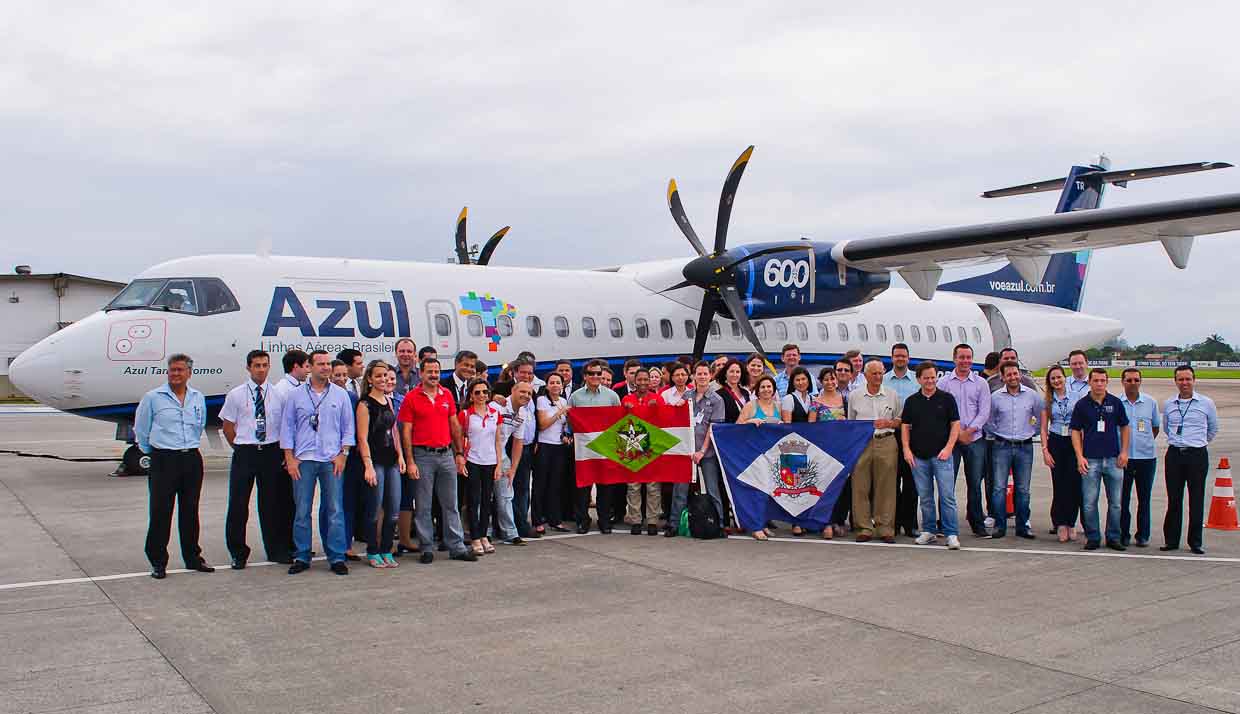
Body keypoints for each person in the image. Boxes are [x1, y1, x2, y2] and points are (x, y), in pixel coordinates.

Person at [134, 353, 212, 579]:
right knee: (160, 511)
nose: (176, 374)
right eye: (172, 370)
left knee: (190, 510)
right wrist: (154, 452)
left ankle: (192, 557)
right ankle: (158, 561)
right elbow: (141, 430)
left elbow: (200, 425)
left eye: (180, 370)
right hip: (164, 460)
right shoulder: (153, 398)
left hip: (191, 459)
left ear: (189, 373)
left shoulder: (197, 397)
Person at [280, 350, 355, 575]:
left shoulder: (340, 395)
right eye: (320, 364)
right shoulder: (295, 395)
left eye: (327, 364)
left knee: (334, 509)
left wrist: (344, 454)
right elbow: (287, 427)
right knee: (302, 510)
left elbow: (348, 428)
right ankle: (302, 556)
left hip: (331, 459)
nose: (325, 368)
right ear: (310, 367)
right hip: (303, 460)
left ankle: (336, 556)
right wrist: (289, 459)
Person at [398, 357, 477, 564]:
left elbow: (454, 426)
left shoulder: (447, 395)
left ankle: (457, 547)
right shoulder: (411, 398)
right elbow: (406, 431)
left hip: (446, 455)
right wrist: (410, 460)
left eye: (436, 371)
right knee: (423, 505)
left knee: (451, 504)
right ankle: (426, 547)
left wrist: (459, 454)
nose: (434, 375)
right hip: (422, 456)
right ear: (421, 373)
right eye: (429, 371)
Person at [220, 349, 292, 568]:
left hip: (271, 451)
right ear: (249, 368)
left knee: (271, 505)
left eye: (264, 365)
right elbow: (228, 427)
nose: (261, 369)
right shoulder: (236, 394)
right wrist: (241, 447)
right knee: (238, 504)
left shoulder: (279, 394)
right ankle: (238, 552)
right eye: (257, 365)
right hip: (245, 451)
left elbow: (285, 426)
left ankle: (275, 550)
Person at [901, 361, 962, 550]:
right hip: (919, 457)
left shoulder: (947, 399)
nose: (930, 381)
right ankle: (929, 531)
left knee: (947, 496)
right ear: (919, 379)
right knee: (925, 496)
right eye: (926, 378)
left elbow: (955, 425)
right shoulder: (911, 401)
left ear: (937, 377)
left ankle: (951, 533)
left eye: (933, 377)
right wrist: (906, 450)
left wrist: (949, 448)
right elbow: (905, 426)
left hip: (942, 456)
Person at [1070, 368, 1130, 551]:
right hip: (1091, 459)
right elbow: (1074, 431)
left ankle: (1113, 536)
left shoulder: (1115, 403)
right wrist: (1079, 456)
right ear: (1089, 382)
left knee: (1116, 503)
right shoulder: (1082, 405)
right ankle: (1093, 536)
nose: (1099, 384)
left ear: (1107, 382)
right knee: (1089, 502)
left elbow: (1125, 427)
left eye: (1102, 381)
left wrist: (1124, 452)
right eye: (1096, 380)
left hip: (1113, 459)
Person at [1161, 365, 1220, 555]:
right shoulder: (1169, 403)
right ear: (1175, 381)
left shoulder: (1206, 403)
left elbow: (1212, 429)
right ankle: (1171, 540)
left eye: (1188, 379)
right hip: (1175, 454)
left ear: (1194, 380)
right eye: (1181, 379)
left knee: (1196, 499)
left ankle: (1195, 542)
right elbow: (1166, 428)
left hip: (1197, 455)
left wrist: (1197, 443)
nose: (1184, 383)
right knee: (1174, 499)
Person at [667, 361, 726, 537]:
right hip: (686, 451)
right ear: (693, 376)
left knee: (712, 489)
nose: (701, 377)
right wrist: (676, 408)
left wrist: (702, 451)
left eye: (705, 374)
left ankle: (719, 524)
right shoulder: (687, 395)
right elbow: (676, 418)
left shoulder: (717, 400)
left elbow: (712, 428)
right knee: (680, 489)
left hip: (705, 452)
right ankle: (673, 524)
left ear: (710, 376)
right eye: (698, 374)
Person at [937, 344, 992, 537]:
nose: (965, 361)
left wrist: (970, 430)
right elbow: (939, 410)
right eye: (961, 357)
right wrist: (957, 432)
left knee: (975, 482)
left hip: (974, 439)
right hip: (950, 440)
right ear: (954, 359)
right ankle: (944, 523)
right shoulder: (943, 383)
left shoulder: (980, 383)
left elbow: (984, 411)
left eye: (968, 357)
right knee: (946, 483)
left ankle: (976, 521)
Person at [356, 360, 404, 568]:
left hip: (391, 460)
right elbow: (362, 438)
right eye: (378, 376)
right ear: (369, 379)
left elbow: (394, 433)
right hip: (375, 462)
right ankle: (372, 550)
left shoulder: (389, 401)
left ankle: (386, 548)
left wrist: (401, 455)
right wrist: (367, 465)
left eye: (385, 375)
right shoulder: (364, 404)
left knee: (393, 509)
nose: (383, 379)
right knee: (374, 509)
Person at [987, 363, 1043, 539]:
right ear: (1002, 377)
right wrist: (997, 433)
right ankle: (1000, 525)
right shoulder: (995, 397)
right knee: (998, 487)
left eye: (1015, 374)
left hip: (1024, 447)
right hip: (1001, 446)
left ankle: (1022, 526)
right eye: (1009, 375)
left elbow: (1040, 417)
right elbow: (988, 421)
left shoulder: (1032, 396)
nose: (1013, 377)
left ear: (1020, 375)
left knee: (1023, 488)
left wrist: (1032, 432)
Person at [848, 360, 902, 543]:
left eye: (880, 373)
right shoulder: (855, 396)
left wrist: (888, 423)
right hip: (862, 443)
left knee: (886, 486)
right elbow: (851, 421)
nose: (878, 377)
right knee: (860, 485)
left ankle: (885, 527)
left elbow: (899, 420)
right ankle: (864, 527)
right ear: (865, 375)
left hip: (886, 440)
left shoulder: (892, 395)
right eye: (874, 374)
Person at [570, 359, 622, 533]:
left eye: (598, 373)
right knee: (583, 487)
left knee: (606, 486)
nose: (595, 376)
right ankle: (582, 520)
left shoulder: (612, 396)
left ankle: (604, 520)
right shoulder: (576, 397)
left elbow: (619, 421)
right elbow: (570, 422)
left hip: (606, 447)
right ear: (585, 376)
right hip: (584, 448)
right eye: (591, 373)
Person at [458, 377, 503, 556]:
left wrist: (499, 464)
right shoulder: (466, 415)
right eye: (477, 392)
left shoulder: (495, 413)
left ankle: (484, 534)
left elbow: (498, 441)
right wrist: (460, 458)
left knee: (487, 501)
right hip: (473, 461)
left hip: (490, 462)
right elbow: (459, 439)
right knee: (473, 500)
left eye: (485, 392)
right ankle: (475, 537)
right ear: (470, 395)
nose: (482, 395)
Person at [1118, 368, 1160, 548]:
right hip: (1124, 458)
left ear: (1140, 382)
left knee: (1144, 498)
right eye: (1129, 380)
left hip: (1146, 458)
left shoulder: (1150, 402)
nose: (1133, 383)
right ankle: (1123, 534)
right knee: (1122, 499)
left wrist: (1143, 443)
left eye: (1136, 380)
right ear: (1123, 382)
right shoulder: (1117, 403)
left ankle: (1142, 535)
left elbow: (1155, 428)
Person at [622, 368, 664, 535]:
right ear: (634, 381)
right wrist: (625, 409)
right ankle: (635, 520)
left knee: (653, 486)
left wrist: (657, 409)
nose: (643, 383)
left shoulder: (657, 399)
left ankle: (653, 520)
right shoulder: (627, 399)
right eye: (640, 379)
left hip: (652, 446)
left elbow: (665, 421)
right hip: (632, 446)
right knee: (633, 485)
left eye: (646, 379)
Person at [1041, 365, 1080, 543]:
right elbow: (1043, 428)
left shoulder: (1076, 396)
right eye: (1053, 379)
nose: (1057, 381)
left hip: (1073, 441)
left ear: (1065, 378)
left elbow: (1081, 423)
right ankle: (1060, 523)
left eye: (1059, 377)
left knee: (1074, 484)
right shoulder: (1048, 400)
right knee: (1059, 484)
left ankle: (1071, 522)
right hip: (1056, 441)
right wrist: (1045, 450)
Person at [884, 343, 919, 538]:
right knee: (892, 482)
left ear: (908, 358)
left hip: (914, 436)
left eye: (903, 356)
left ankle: (911, 523)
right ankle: (894, 523)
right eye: (897, 356)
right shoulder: (884, 380)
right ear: (892, 358)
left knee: (912, 483)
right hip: (891, 435)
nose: (900, 359)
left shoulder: (916, 380)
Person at [494, 381, 533, 546]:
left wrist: (513, 469)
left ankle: (510, 533)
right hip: (482, 457)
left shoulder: (523, 413)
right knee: (482, 497)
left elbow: (518, 442)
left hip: (502, 456)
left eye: (529, 394)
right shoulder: (497, 407)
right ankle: (483, 533)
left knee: (506, 496)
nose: (526, 395)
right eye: (522, 391)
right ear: (513, 391)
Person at [814, 367, 851, 539]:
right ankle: (825, 522)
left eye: (833, 379)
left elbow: (852, 425)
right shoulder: (816, 402)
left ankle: (838, 520)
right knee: (824, 488)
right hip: (822, 450)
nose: (830, 382)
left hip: (841, 449)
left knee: (842, 488)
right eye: (826, 379)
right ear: (821, 382)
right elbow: (810, 427)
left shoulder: (845, 400)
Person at [534, 373, 572, 535]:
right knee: (540, 484)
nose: (555, 385)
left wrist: (565, 436)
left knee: (556, 485)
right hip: (544, 446)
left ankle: (555, 519)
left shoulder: (563, 401)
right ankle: (537, 520)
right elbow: (543, 425)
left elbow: (563, 426)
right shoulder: (542, 401)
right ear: (547, 385)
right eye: (552, 382)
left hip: (558, 447)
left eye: (558, 382)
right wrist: (559, 412)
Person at [715, 358, 751, 423]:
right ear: (725, 374)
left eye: (738, 372)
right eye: (731, 371)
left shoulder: (745, 393)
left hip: (746, 430)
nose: (735, 375)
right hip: (730, 430)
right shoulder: (719, 394)